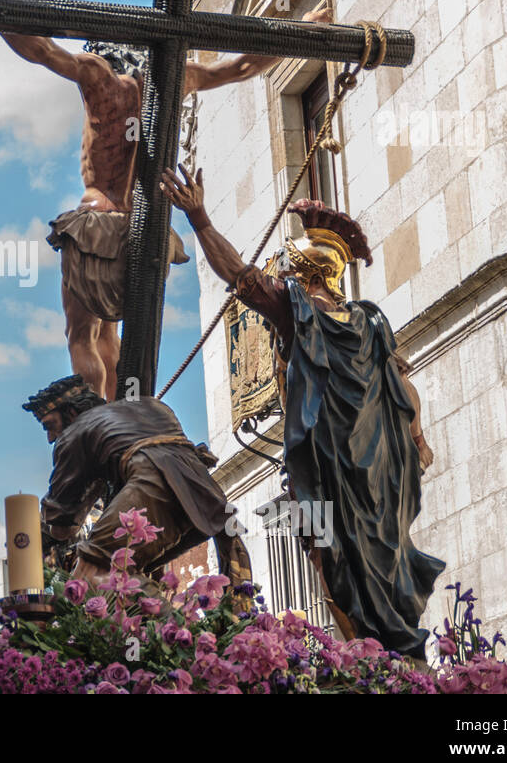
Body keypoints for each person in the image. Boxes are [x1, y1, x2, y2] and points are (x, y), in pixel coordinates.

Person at [160, 165, 443, 657]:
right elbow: (405, 390)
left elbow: (239, 277)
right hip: (382, 482)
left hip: (330, 477)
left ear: (305, 274)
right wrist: (417, 442)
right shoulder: (370, 323)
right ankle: (400, 663)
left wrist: (201, 219)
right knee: (384, 574)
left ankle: (374, 669)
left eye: (289, 270)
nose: (282, 276)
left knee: (337, 571)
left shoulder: (299, 313)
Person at [1, 5, 333, 401]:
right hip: (145, 229)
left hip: (96, 220)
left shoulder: (97, 75)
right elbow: (243, 67)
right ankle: (119, 409)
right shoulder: (178, 79)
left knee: (82, 333)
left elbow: (43, 51)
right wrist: (303, 29)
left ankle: (93, 417)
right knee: (111, 333)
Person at [25, 374, 251, 587]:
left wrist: (38, 531)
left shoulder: (75, 432)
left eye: (49, 426)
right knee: (131, 567)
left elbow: (63, 524)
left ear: (71, 413)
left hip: (153, 483)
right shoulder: (152, 406)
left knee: (97, 573)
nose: (50, 438)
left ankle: (172, 628)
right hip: (203, 496)